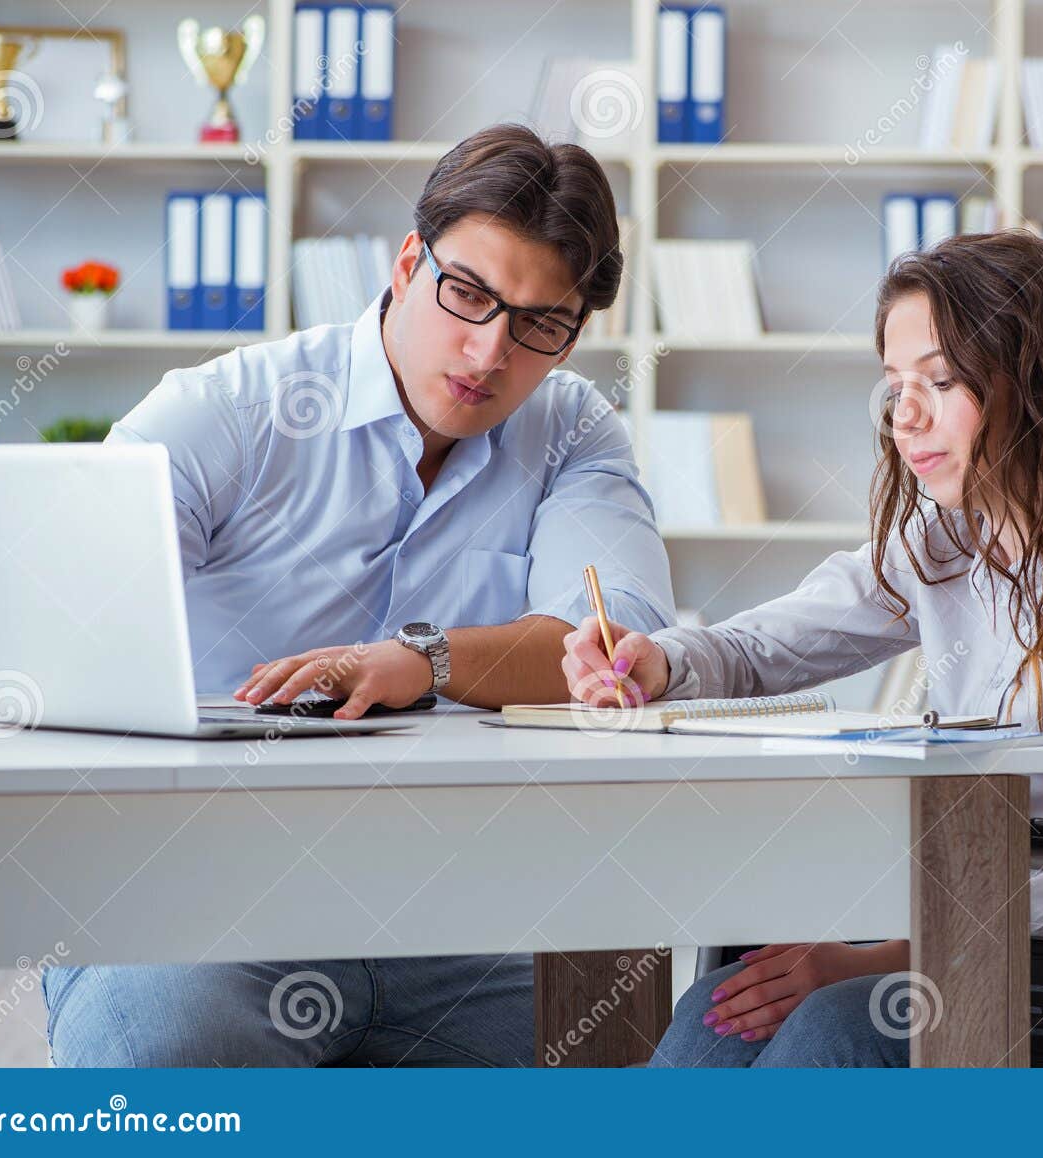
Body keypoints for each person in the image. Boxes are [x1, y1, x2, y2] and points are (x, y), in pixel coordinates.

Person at [561, 228, 1043, 1067]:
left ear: (1038, 386)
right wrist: (658, 661)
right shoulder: (948, 540)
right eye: (894, 385)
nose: (905, 416)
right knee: (722, 1012)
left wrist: (892, 956)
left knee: (834, 1025)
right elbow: (767, 646)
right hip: (1007, 937)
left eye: (942, 380)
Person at [44, 124, 675, 1067]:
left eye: (541, 324)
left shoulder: (574, 429)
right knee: (165, 1057)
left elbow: (612, 653)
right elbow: (70, 621)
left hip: (463, 918)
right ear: (410, 261)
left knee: (629, 1041)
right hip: (207, 904)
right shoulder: (229, 413)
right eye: (466, 295)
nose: (489, 350)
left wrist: (425, 661)